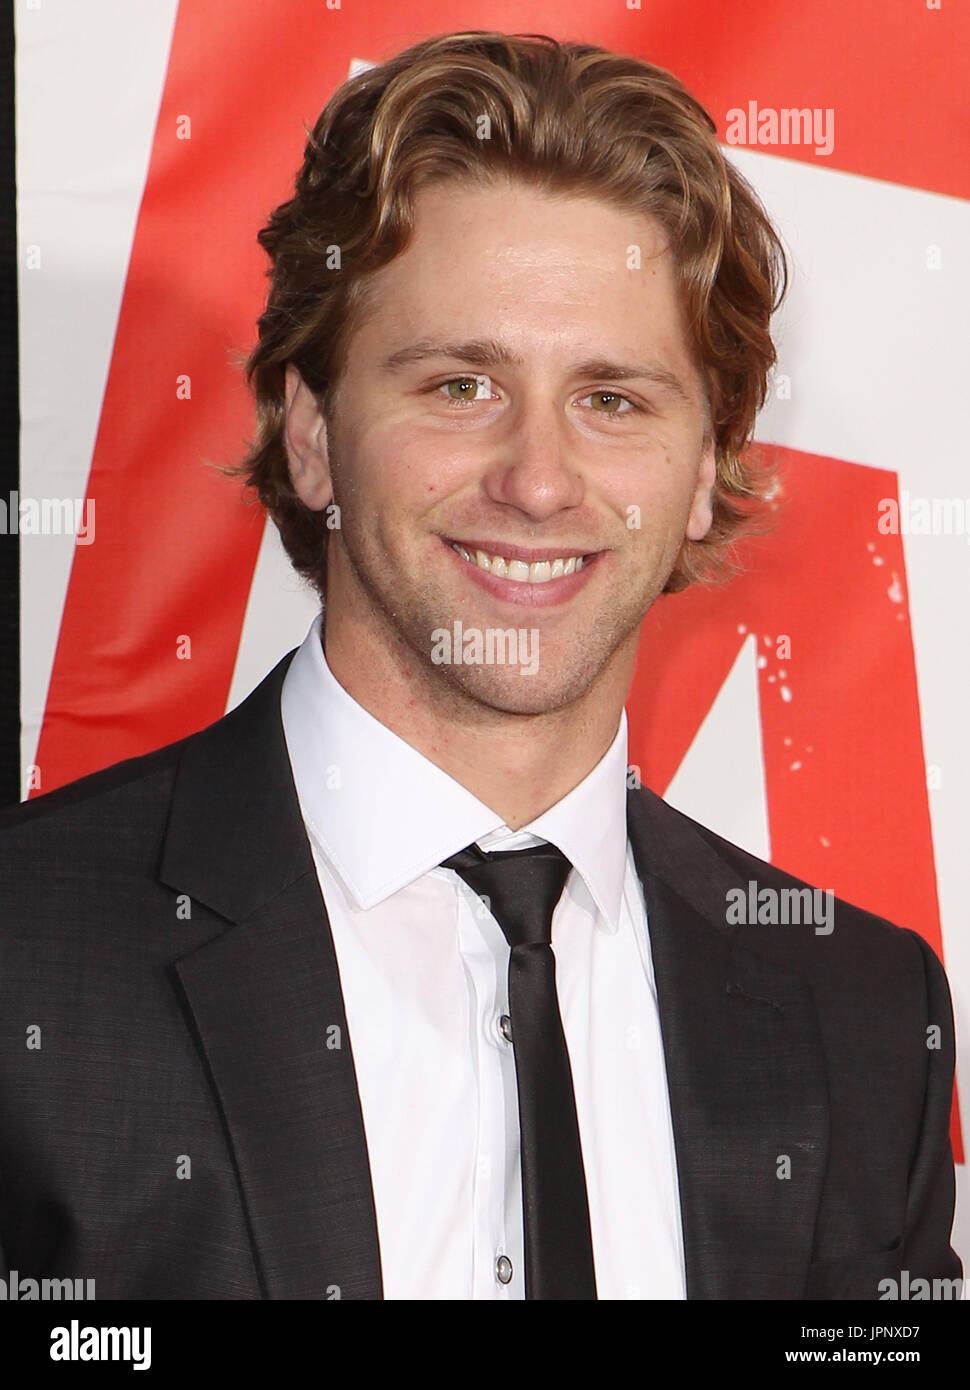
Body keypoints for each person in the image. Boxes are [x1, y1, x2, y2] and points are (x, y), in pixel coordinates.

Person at [0, 30, 960, 1301]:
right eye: (461, 385)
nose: (539, 480)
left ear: (701, 472)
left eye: (613, 399)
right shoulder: (29, 950)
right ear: (311, 434)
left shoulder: (863, 1011)